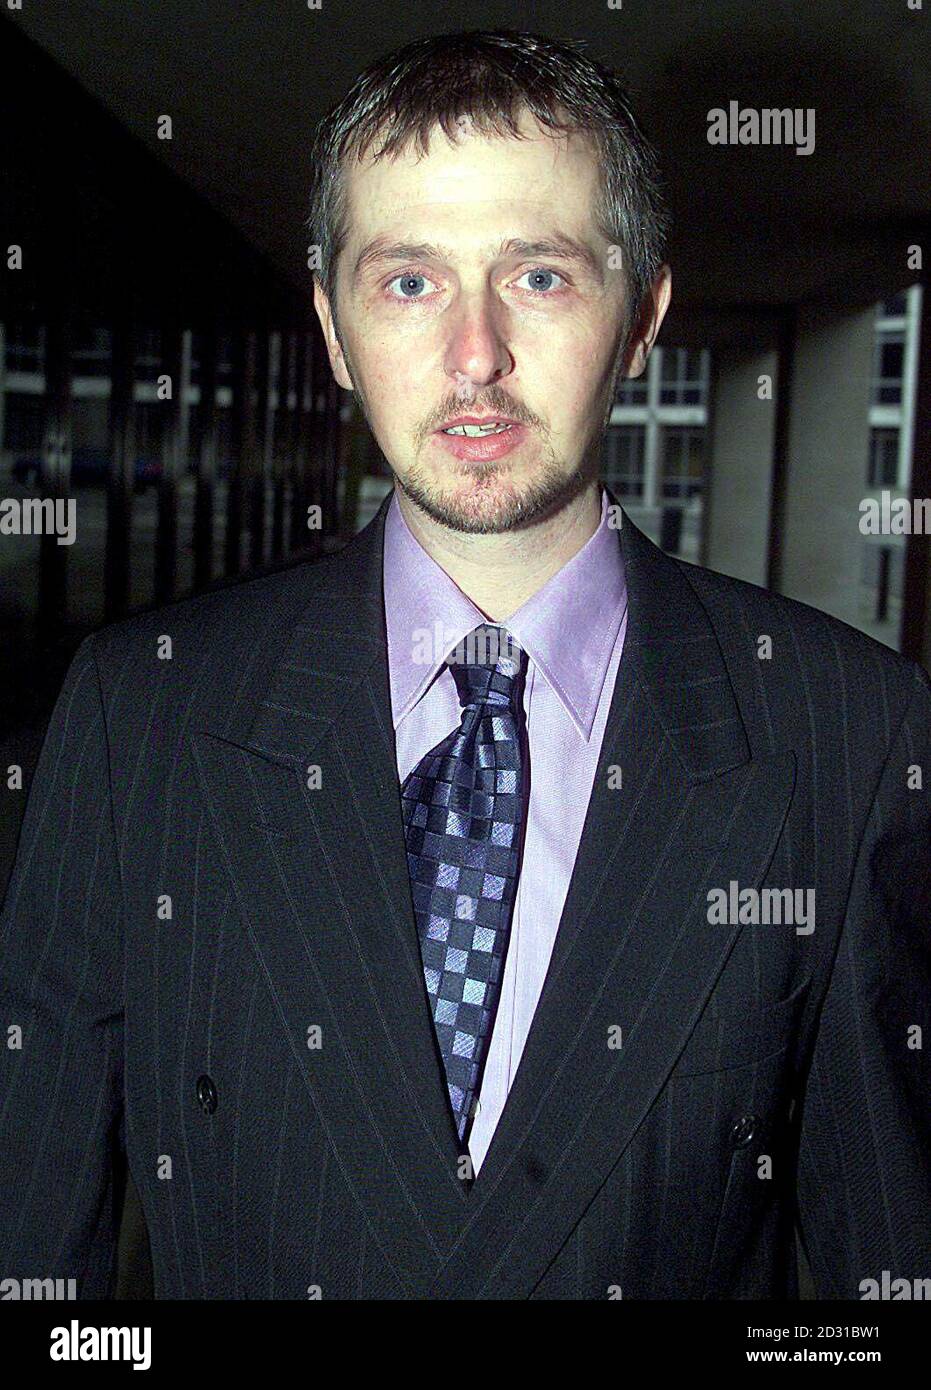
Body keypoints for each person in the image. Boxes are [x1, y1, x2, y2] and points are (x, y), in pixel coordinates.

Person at [1, 28, 928, 1301]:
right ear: (331, 330)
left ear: (642, 315)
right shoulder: (138, 712)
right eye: (409, 282)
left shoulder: (847, 732)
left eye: (539, 276)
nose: (475, 353)